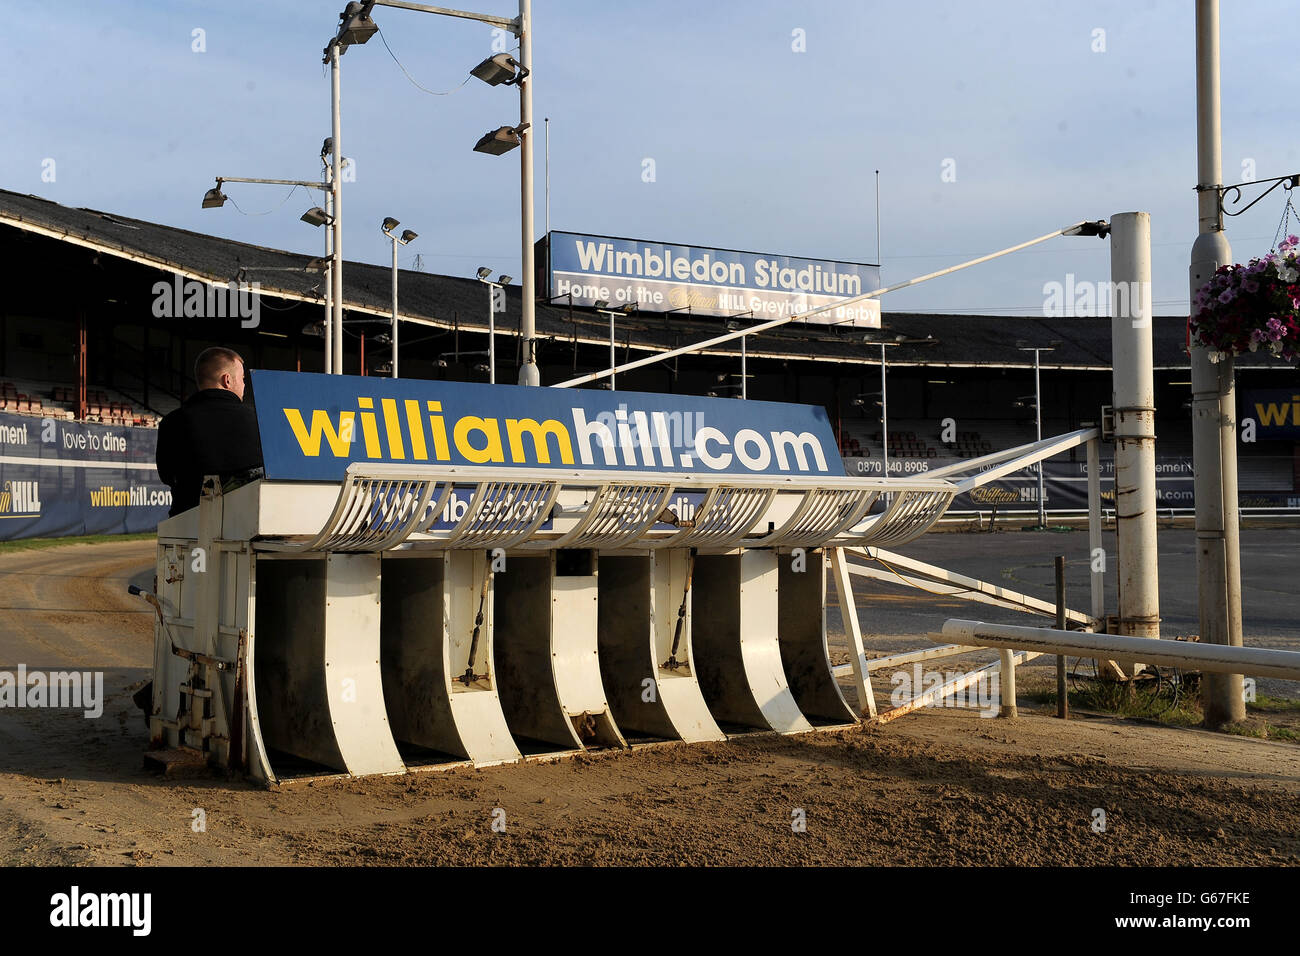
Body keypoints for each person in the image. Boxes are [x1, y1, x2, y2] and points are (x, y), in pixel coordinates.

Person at [155, 347, 264, 516]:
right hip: (247, 521)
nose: (244, 385)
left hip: (187, 523)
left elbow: (167, 476)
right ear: (227, 380)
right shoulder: (258, 420)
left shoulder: (171, 422)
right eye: (242, 379)